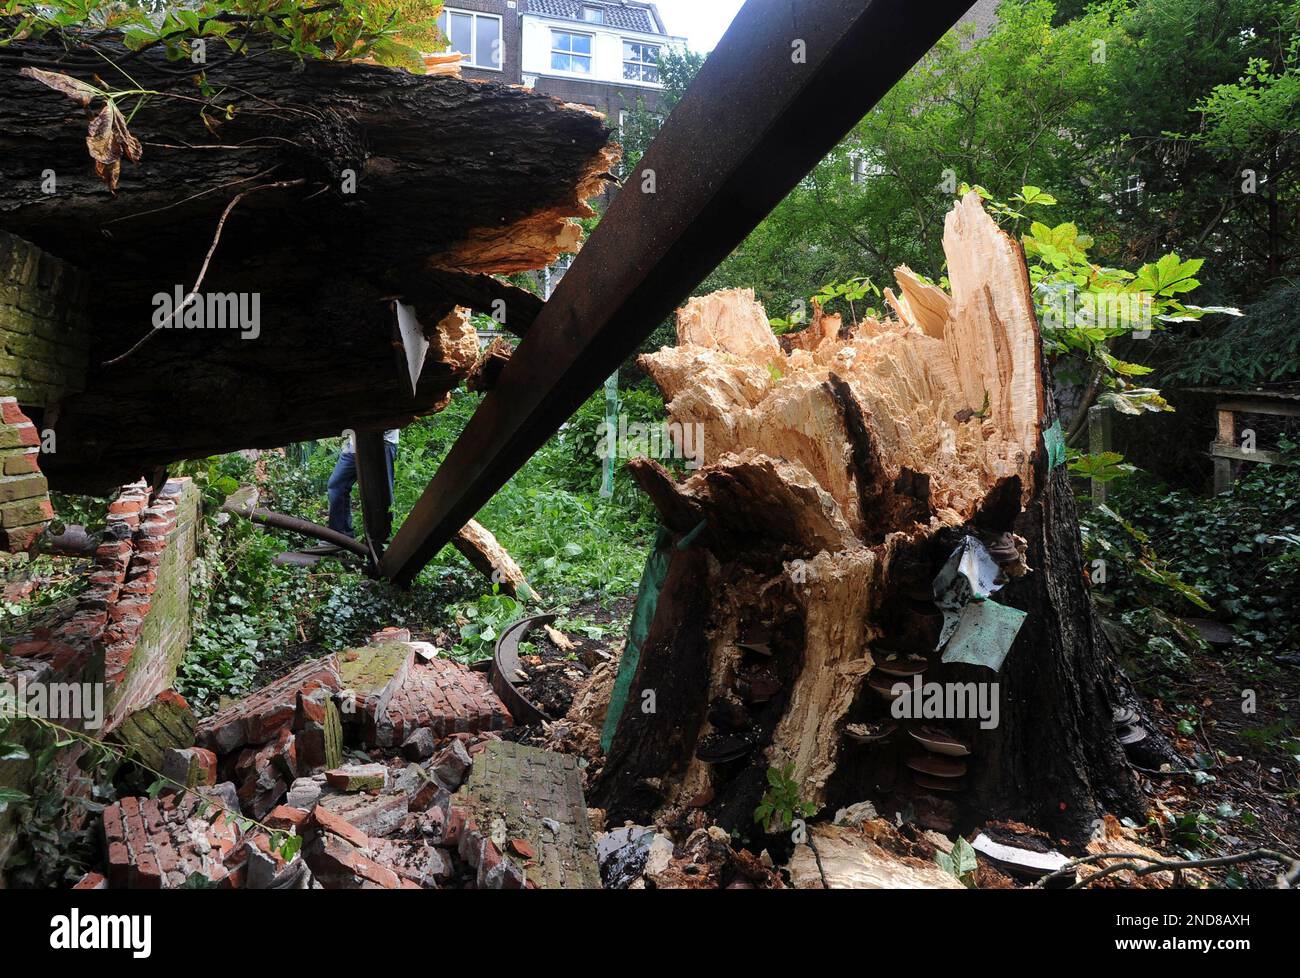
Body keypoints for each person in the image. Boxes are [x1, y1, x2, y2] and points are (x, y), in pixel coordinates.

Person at [327, 428, 399, 539]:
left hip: (383, 443)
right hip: (354, 444)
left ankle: (384, 540)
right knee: (337, 485)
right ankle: (340, 535)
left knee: (381, 493)